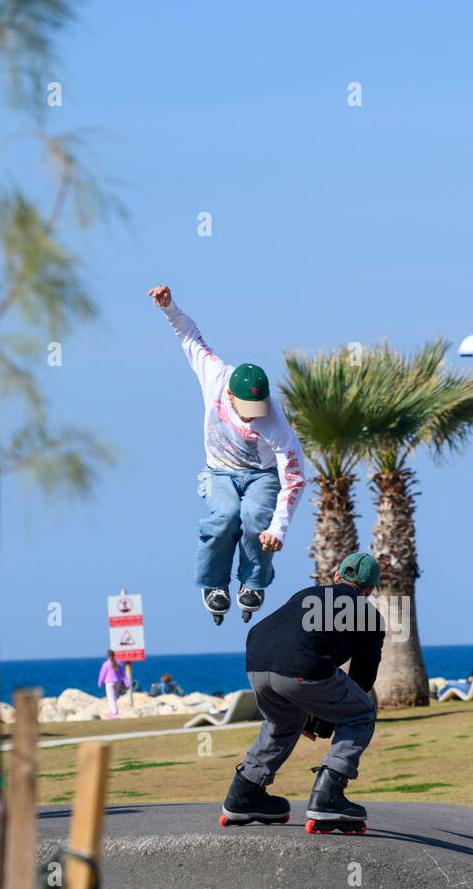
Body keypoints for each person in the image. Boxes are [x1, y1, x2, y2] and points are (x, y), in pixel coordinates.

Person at [147, 283, 306, 624]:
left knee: (253, 521)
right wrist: (169, 307)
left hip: (263, 475)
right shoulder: (217, 377)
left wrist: (278, 529)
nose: (252, 415)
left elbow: (293, 477)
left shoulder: (275, 422)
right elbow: (190, 338)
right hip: (218, 472)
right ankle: (213, 584)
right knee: (224, 517)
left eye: (257, 408)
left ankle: (253, 583)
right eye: (246, 408)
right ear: (231, 397)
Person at [221, 552, 385, 828]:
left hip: (257, 662)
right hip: (300, 667)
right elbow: (361, 678)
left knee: (283, 722)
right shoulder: (367, 614)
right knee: (361, 714)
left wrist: (317, 711)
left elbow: (295, 635)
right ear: (369, 590)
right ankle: (328, 797)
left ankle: (244, 794)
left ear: (335, 577)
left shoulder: (307, 594)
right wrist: (329, 716)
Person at [98, 650, 126, 718]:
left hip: (109, 683)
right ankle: (112, 712)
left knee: (111, 698)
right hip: (117, 682)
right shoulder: (119, 663)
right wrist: (126, 682)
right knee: (114, 698)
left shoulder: (106, 664)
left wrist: (100, 683)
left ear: (107, 656)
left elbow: (102, 674)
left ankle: (114, 714)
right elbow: (123, 674)